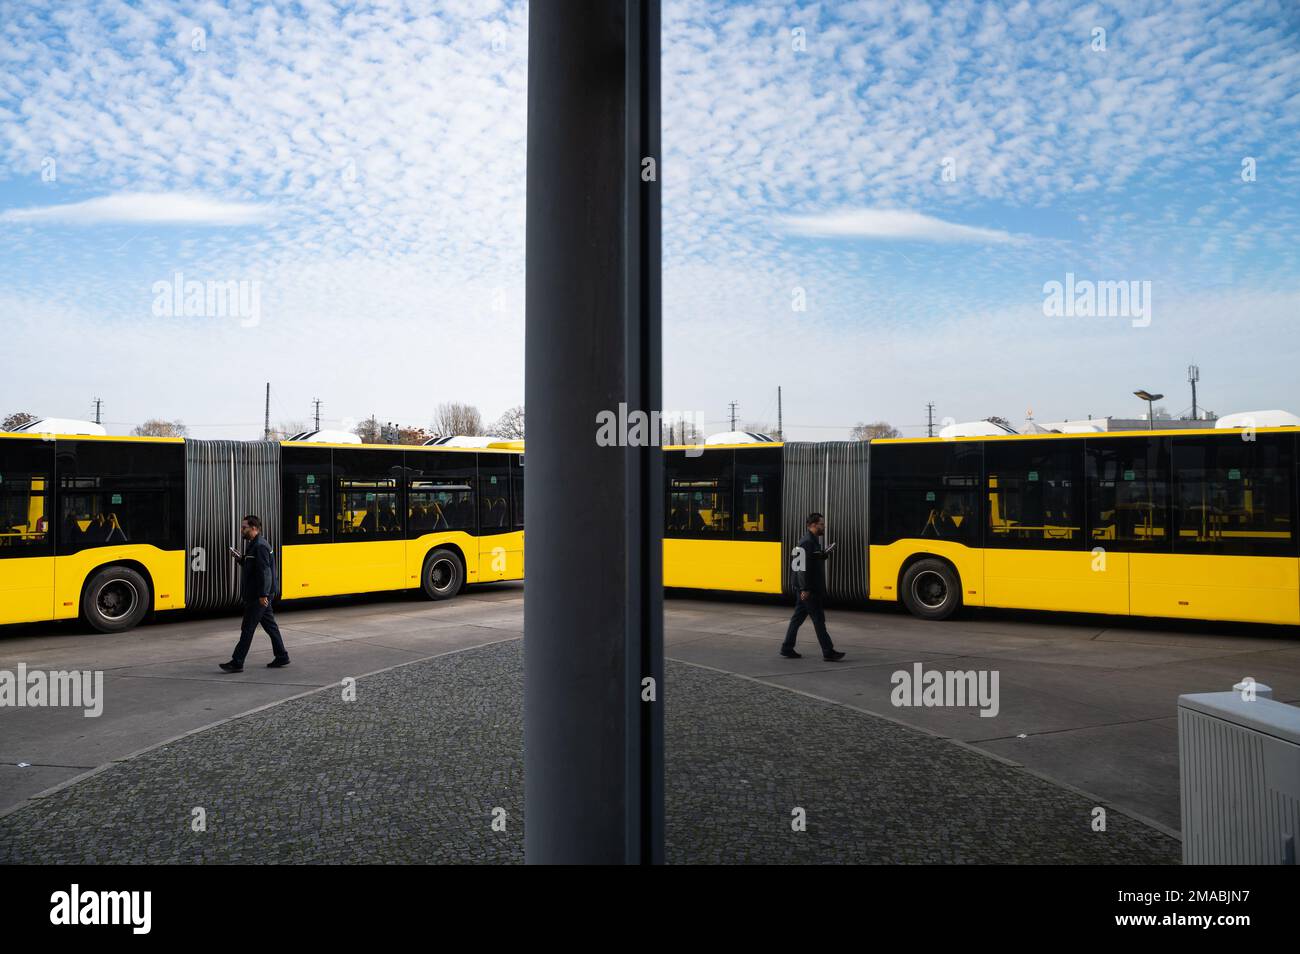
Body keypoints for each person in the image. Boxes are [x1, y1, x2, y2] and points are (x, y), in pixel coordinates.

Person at [219, 515, 290, 672]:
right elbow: (253, 565)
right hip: (260, 594)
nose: (241, 530)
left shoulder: (260, 546)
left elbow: (265, 572)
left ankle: (237, 662)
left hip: (258, 595)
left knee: (248, 628)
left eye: (244, 527)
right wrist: (240, 558)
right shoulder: (253, 545)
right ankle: (282, 656)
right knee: (270, 626)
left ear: (254, 528)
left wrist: (263, 595)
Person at [781, 512, 846, 661]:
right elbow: (802, 568)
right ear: (813, 525)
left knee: (797, 619)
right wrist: (805, 589)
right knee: (818, 620)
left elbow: (812, 560)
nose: (824, 526)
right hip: (809, 589)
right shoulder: (807, 542)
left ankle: (787, 648)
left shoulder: (812, 540)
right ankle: (828, 652)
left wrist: (824, 554)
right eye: (821, 524)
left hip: (806, 588)